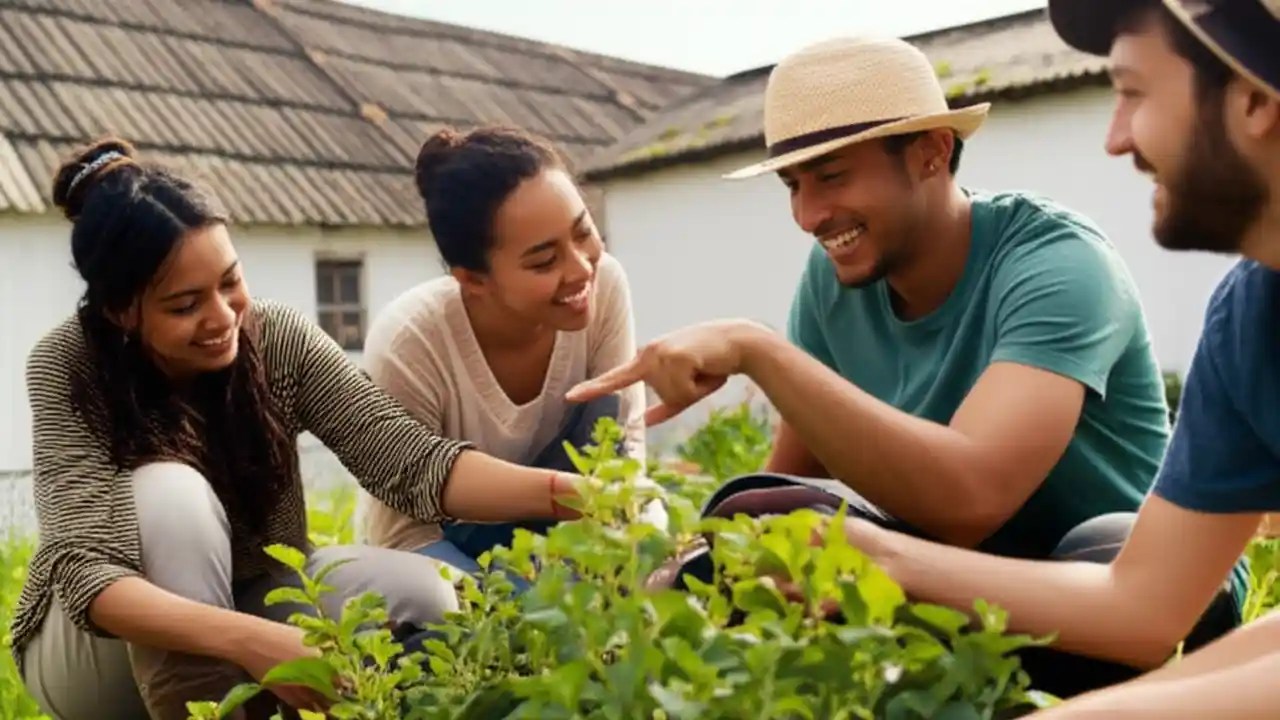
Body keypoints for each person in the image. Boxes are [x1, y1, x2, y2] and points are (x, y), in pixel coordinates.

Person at [567, 32, 1240, 697]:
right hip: (951, 585)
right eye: (793, 186)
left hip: (1118, 594)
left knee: (1107, 540)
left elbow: (972, 499)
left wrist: (759, 351)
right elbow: (786, 485)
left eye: (831, 177)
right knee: (756, 523)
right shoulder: (833, 282)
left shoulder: (1056, 264)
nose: (809, 215)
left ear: (931, 152)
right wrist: (683, 565)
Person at [14, 137, 588, 720]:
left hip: (255, 590)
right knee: (170, 494)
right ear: (120, 312)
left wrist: (574, 495)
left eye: (230, 282)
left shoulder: (275, 338)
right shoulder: (69, 365)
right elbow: (86, 572)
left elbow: (410, 462)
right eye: (185, 305)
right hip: (99, 657)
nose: (222, 317)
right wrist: (250, 640)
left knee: (433, 598)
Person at [356, 125, 647, 574]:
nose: (580, 268)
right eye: (544, 261)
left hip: (567, 526)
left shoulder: (604, 283)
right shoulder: (410, 344)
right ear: (473, 280)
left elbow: (626, 449)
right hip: (440, 546)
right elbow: (404, 536)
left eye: (584, 232)